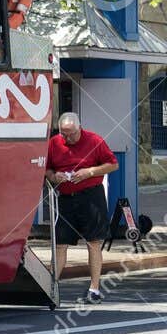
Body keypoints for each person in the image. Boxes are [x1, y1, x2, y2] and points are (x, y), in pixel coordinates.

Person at [46, 112, 118, 303]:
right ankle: (52, 286)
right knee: (60, 243)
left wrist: (90, 172)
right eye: (64, 134)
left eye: (71, 134)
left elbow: (112, 164)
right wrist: (54, 177)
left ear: (80, 128)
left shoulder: (94, 140)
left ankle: (94, 289)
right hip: (66, 197)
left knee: (93, 242)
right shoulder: (54, 143)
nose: (67, 138)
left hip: (90, 196)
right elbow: (47, 169)